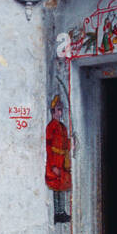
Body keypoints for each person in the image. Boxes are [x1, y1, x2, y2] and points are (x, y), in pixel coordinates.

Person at [46, 94, 72, 223]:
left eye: (61, 109)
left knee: (63, 186)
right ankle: (57, 212)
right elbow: (48, 146)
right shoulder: (51, 127)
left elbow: (65, 145)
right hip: (54, 160)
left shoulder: (63, 127)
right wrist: (52, 165)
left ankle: (62, 210)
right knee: (55, 187)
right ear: (53, 111)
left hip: (62, 160)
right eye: (58, 109)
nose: (60, 112)